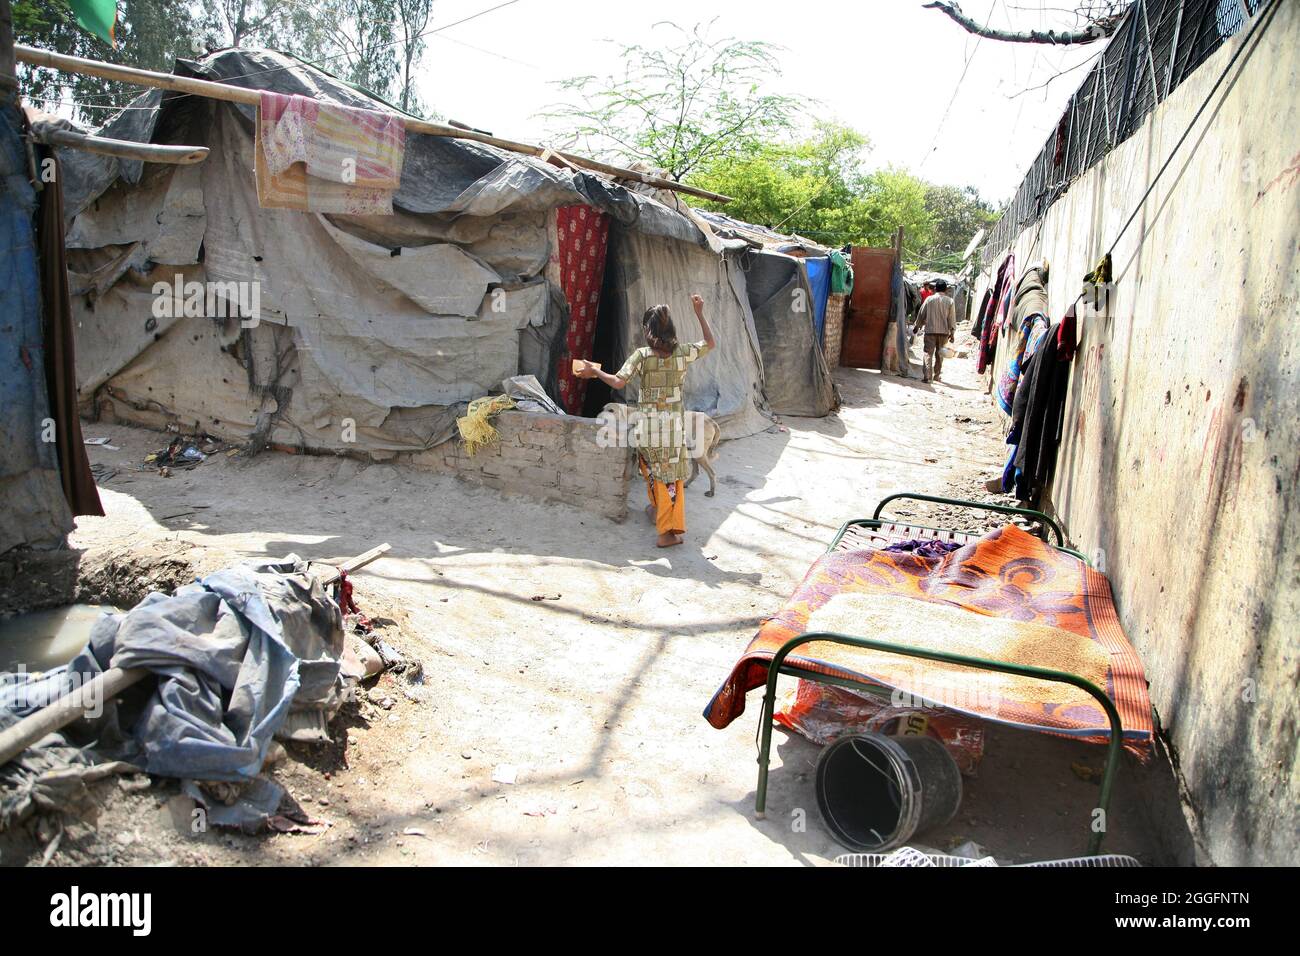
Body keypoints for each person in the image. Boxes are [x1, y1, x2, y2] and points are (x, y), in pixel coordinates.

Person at [576, 294, 715, 547]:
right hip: (672, 430)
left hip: (647, 429)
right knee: (670, 476)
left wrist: (594, 371)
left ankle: (659, 517)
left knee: (651, 469)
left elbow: (618, 381)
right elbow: (709, 342)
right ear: (670, 328)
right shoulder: (683, 353)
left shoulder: (642, 356)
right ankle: (666, 531)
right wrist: (699, 312)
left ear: (647, 330)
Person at [913, 278, 955, 383]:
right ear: (945, 290)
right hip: (944, 332)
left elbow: (921, 314)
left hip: (930, 331)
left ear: (935, 289)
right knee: (940, 355)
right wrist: (952, 333)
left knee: (928, 353)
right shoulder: (950, 301)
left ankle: (927, 375)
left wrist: (917, 326)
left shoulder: (929, 299)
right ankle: (936, 376)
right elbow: (951, 318)